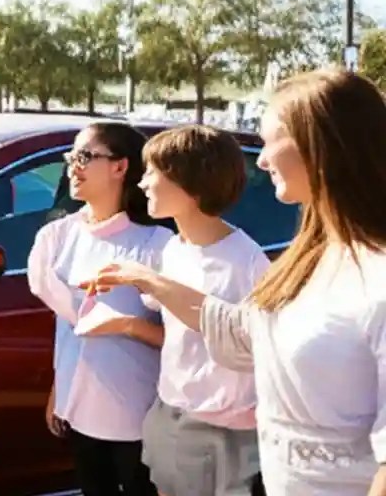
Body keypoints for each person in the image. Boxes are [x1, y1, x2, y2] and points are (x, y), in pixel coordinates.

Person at [85, 68, 386, 496]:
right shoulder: (313, 259)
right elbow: (240, 333)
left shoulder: (375, 279)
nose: (260, 161)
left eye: (269, 142)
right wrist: (146, 280)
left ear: (322, 145)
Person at [27, 121, 170, 496]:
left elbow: (184, 341)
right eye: (71, 156)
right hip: (80, 411)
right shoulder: (57, 237)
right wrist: (60, 388)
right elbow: (67, 325)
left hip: (139, 417)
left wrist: (127, 325)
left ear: (120, 167)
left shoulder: (157, 243)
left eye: (84, 156)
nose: (73, 166)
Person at [134, 125, 270, 495]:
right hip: (172, 414)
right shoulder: (175, 248)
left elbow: (257, 349)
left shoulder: (245, 263)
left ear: (190, 184)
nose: (142, 183)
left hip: (221, 434)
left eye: (152, 173)